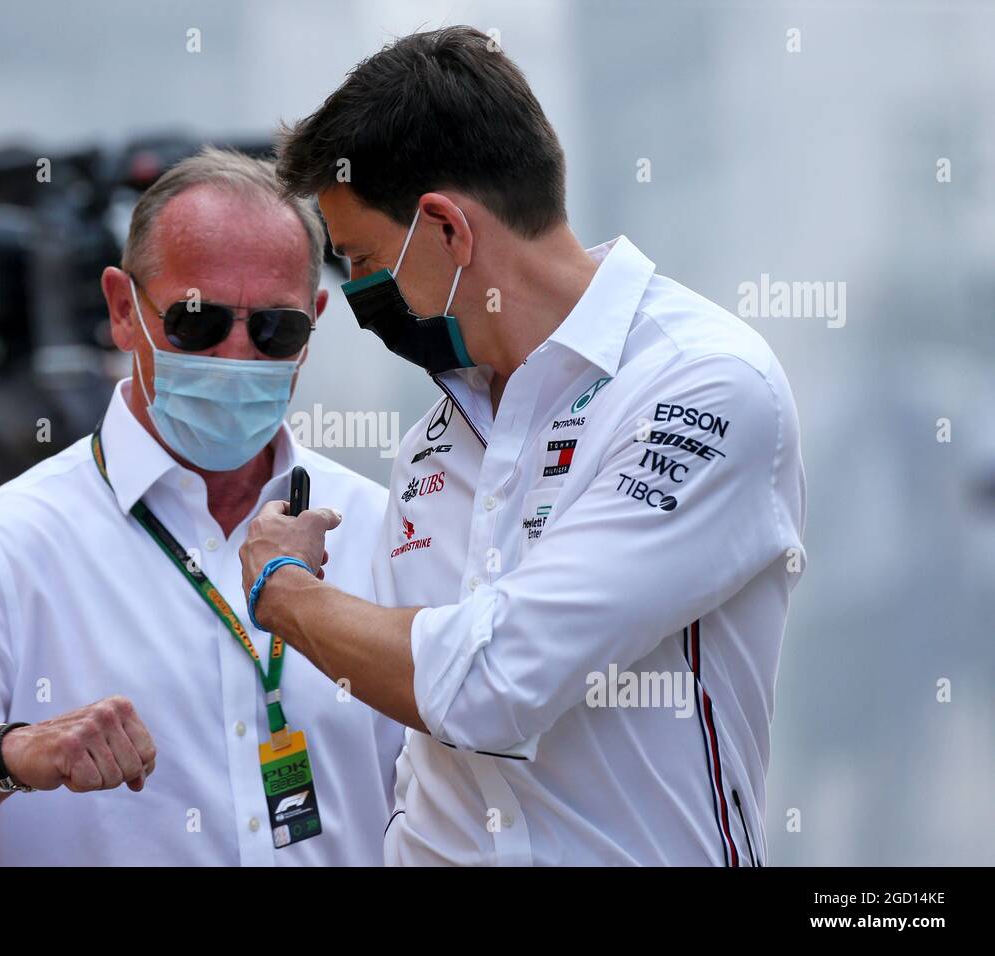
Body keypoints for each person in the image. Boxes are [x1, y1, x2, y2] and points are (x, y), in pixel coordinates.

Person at [238, 26, 807, 866]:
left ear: (446, 229)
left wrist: (281, 591)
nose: (357, 297)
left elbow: (492, 685)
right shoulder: (436, 437)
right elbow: (421, 735)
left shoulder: (704, 387)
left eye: (357, 261)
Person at [0, 147, 402, 866]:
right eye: (196, 322)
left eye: (275, 330)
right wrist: (0, 759)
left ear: (313, 323)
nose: (237, 357)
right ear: (124, 310)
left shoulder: (387, 530)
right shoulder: (2, 548)